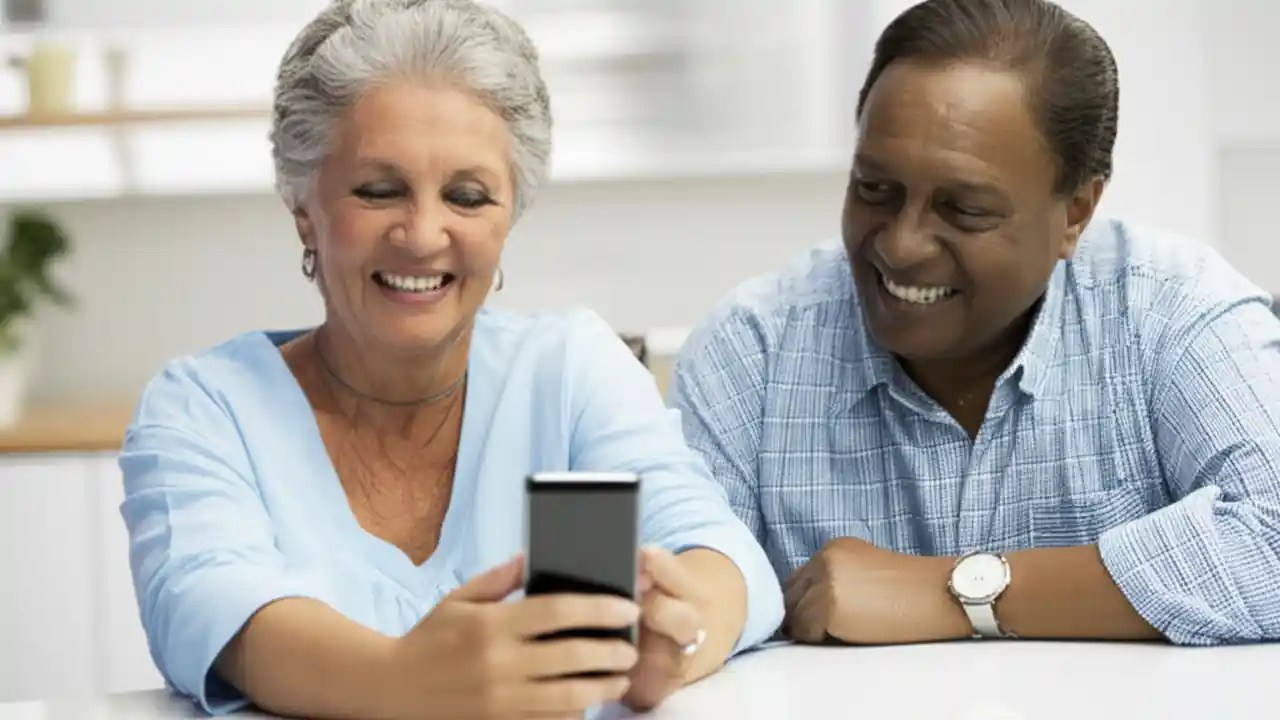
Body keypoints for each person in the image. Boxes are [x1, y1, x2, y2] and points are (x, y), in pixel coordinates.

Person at [118, 1, 783, 717]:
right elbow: (210, 610)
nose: (423, 233)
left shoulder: (566, 370)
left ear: (509, 218)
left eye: (467, 197)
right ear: (303, 208)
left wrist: (678, 639)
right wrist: (406, 679)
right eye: (379, 190)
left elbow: (722, 556)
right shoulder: (208, 408)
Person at [673, 0, 1280, 648]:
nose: (902, 246)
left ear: (1076, 211)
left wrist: (953, 591)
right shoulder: (753, 351)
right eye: (875, 190)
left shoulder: (1168, 310)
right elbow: (675, 604)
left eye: (963, 210)